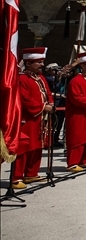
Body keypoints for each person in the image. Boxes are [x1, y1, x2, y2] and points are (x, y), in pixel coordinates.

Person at [12, 47, 54, 189]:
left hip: (41, 118)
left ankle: (31, 173)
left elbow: (48, 93)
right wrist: (43, 107)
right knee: (25, 148)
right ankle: (16, 177)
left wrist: (51, 104)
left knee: (38, 145)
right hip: (28, 118)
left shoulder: (41, 78)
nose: (42, 64)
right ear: (28, 63)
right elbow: (25, 99)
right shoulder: (22, 79)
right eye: (38, 62)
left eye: (42, 61)